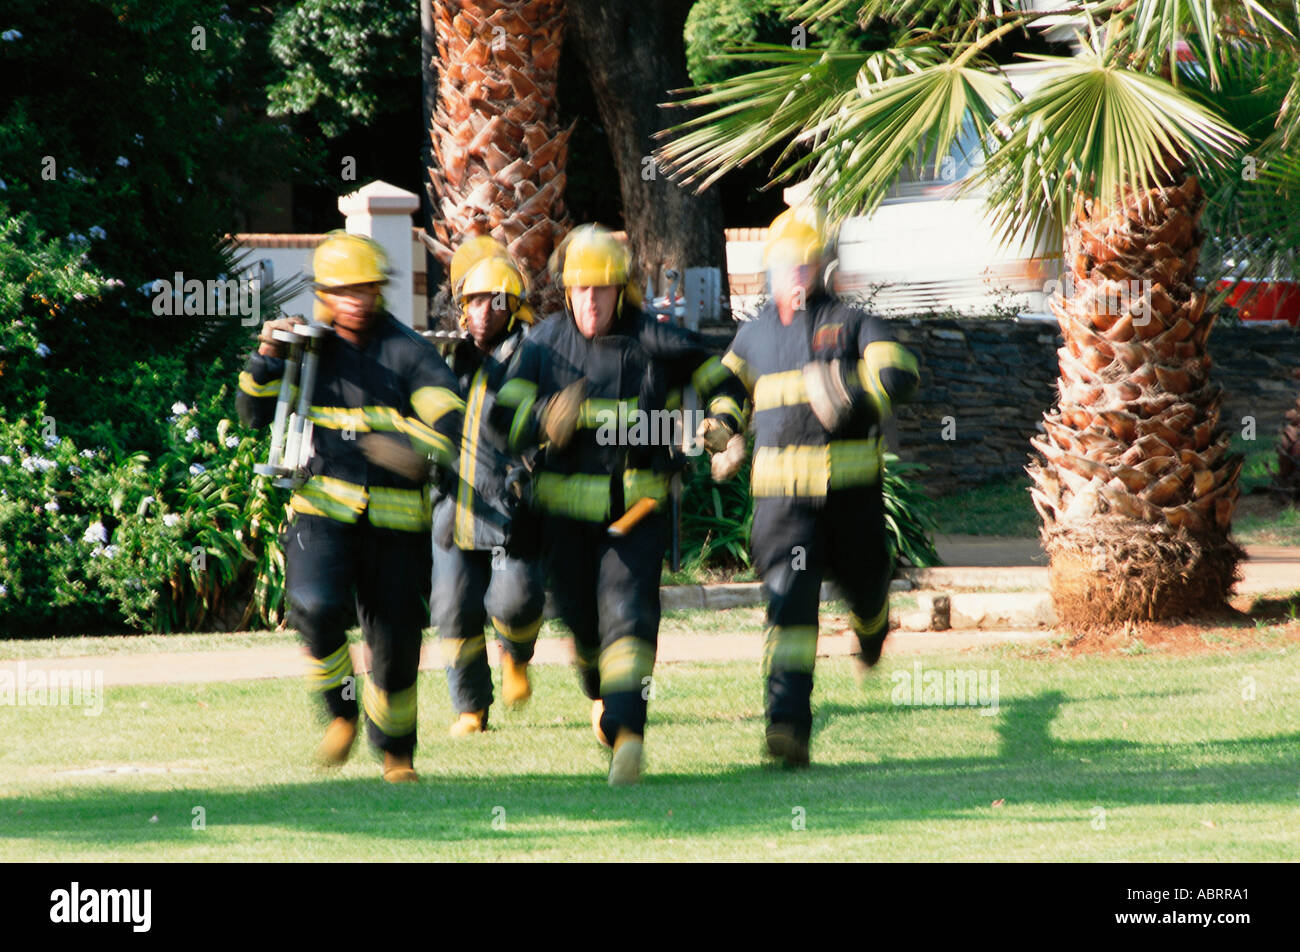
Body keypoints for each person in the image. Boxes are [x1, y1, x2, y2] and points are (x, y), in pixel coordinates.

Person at [496, 224, 749, 785]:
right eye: (582, 290)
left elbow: (721, 380)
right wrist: (540, 420)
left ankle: (630, 736)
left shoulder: (656, 339)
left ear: (622, 291)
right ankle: (605, 700)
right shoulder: (541, 347)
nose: (592, 301)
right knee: (586, 631)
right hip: (563, 522)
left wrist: (724, 428)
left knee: (630, 619)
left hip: (635, 515)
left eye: (603, 290)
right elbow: (500, 418)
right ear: (566, 292)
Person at [236, 230, 464, 783]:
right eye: (343, 291)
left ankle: (396, 756)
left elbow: (451, 423)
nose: (355, 301)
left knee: (395, 646)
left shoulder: (409, 352)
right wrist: (265, 358)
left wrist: (412, 450)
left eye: (365, 290)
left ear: (379, 291)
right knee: (313, 607)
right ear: (324, 294)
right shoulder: (308, 350)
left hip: (396, 526)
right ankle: (340, 714)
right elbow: (250, 414)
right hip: (322, 517)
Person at [715, 206, 920, 768]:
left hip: (850, 504)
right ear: (769, 271)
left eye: (805, 265)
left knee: (866, 585)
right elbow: (725, 390)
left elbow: (901, 371)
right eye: (786, 265)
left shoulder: (853, 324)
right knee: (790, 609)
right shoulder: (753, 336)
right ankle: (787, 730)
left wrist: (849, 386)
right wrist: (720, 432)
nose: (795, 275)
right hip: (783, 512)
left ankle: (872, 626)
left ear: (823, 268)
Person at [431, 246, 546, 735]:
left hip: (510, 514)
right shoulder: (445, 357)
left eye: (495, 302)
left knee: (514, 603)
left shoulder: (535, 356)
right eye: (474, 302)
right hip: (452, 511)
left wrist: (529, 472)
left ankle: (516, 656)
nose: (483, 313)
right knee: (453, 610)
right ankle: (471, 708)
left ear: (513, 306)